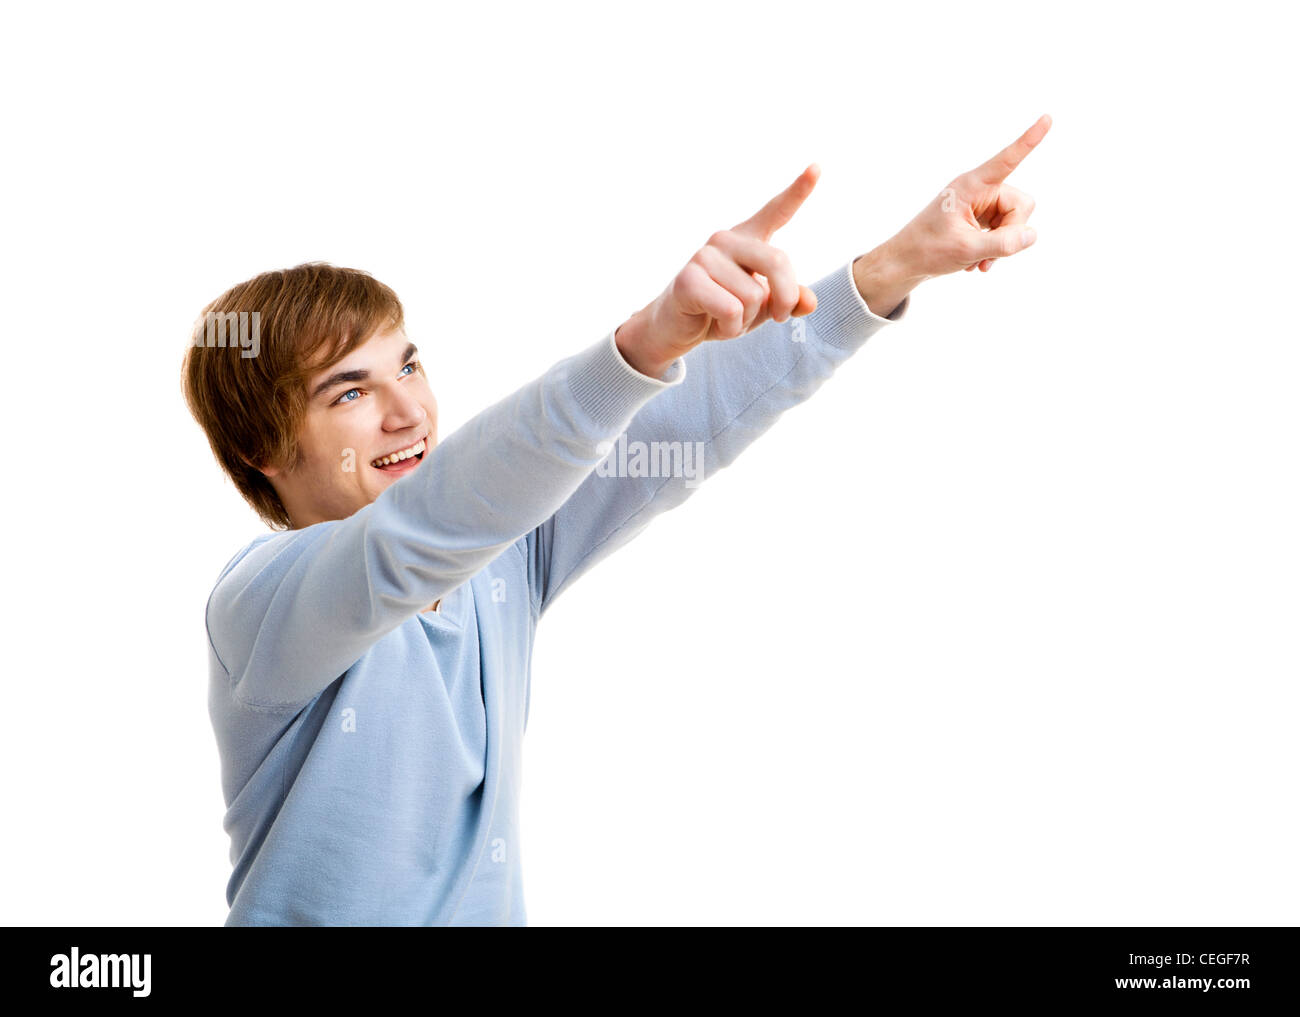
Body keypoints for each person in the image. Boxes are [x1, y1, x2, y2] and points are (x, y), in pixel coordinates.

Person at [182, 115, 1050, 925]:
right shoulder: (261, 603)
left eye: (408, 365)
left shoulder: (499, 557)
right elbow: (427, 526)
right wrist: (643, 342)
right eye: (352, 391)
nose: (408, 410)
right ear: (265, 447)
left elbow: (668, 435)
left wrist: (896, 264)